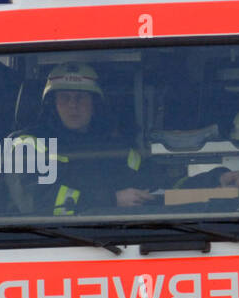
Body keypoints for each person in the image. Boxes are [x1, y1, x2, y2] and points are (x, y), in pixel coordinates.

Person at [16, 63, 153, 215]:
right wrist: (111, 200)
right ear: (52, 104)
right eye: (64, 97)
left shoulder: (117, 149)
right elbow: (35, 202)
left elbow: (152, 187)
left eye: (80, 97)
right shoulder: (27, 145)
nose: (73, 105)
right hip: (47, 236)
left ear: (94, 103)